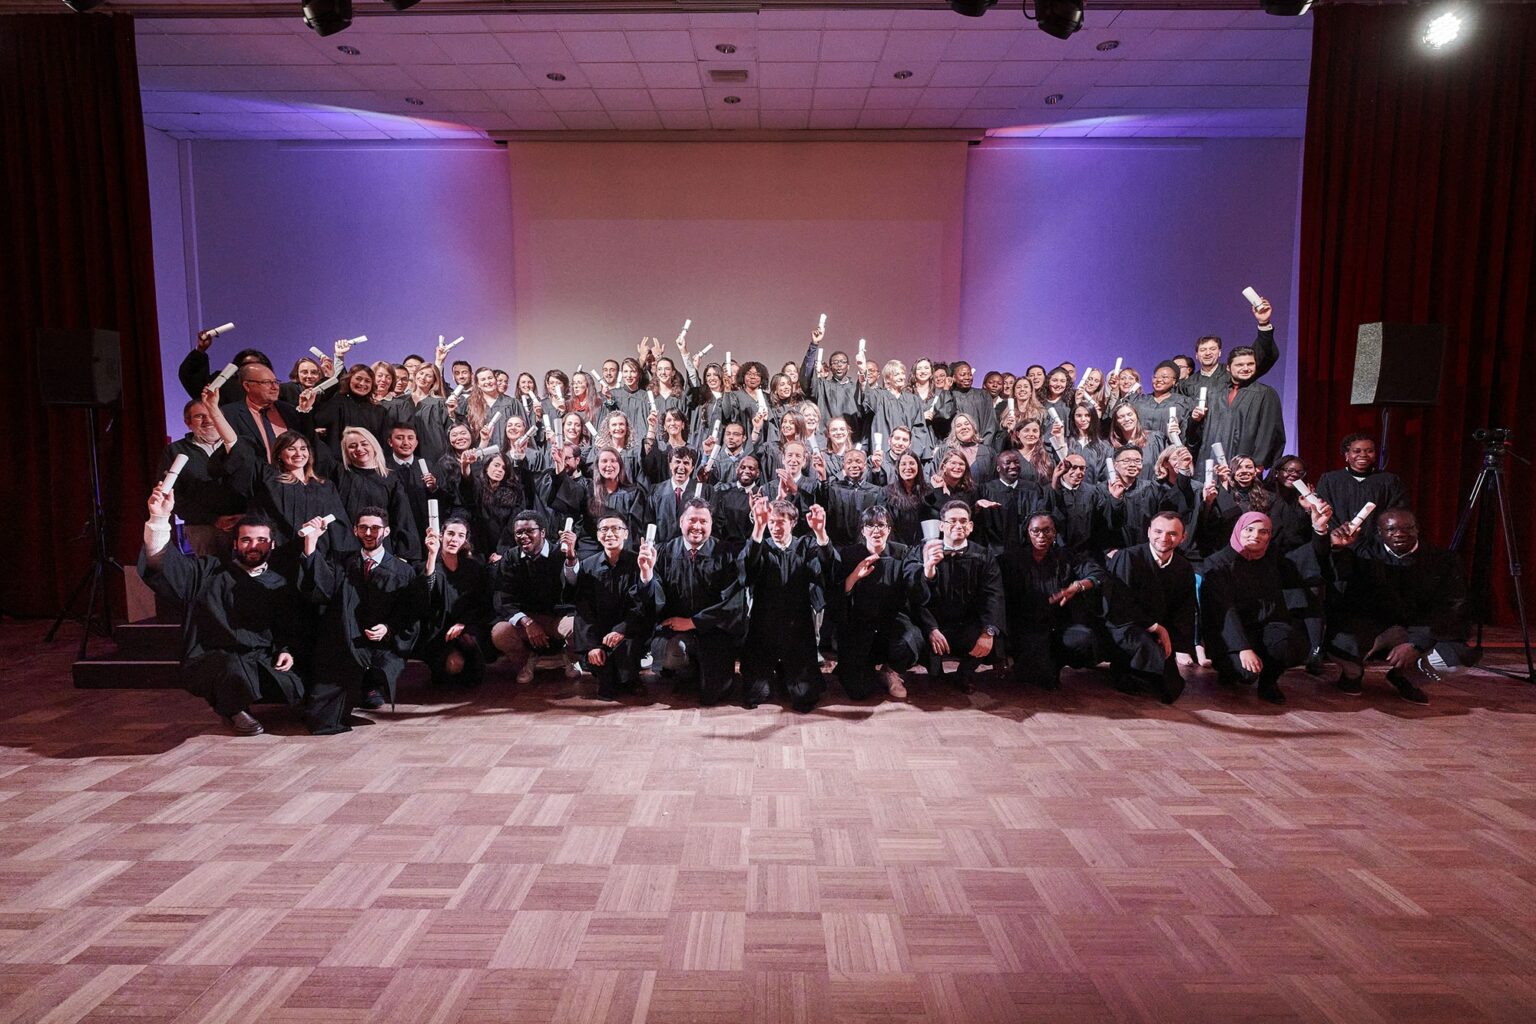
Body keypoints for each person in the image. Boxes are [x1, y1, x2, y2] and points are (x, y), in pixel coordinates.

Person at [138, 486, 308, 736]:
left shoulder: (279, 582)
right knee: (232, 668)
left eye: (261, 540)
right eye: (246, 539)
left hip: (259, 655)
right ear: (235, 543)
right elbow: (164, 566)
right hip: (213, 658)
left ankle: (250, 699)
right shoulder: (208, 572)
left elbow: (287, 627)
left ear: (271, 544)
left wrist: (286, 651)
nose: (253, 546)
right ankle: (234, 710)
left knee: (297, 681)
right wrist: (160, 519)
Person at [300, 506, 428, 732]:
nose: (369, 533)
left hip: (380, 645)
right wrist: (311, 544)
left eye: (375, 528)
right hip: (345, 644)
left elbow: (409, 614)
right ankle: (358, 690)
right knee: (320, 717)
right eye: (363, 528)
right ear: (355, 530)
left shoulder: (402, 570)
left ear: (386, 532)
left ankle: (371, 685)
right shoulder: (342, 563)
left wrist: (388, 629)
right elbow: (322, 591)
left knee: (373, 668)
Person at [1328, 508, 1471, 704]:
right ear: (1380, 532)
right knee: (1340, 642)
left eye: (1407, 528)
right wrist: (1337, 548)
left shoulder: (1444, 560)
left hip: (1418, 629)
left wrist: (1416, 642)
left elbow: (1451, 607)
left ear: (1417, 529)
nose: (1400, 534)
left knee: (1457, 657)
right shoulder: (1363, 553)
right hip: (1373, 629)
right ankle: (1352, 674)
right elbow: (1336, 579)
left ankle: (1405, 678)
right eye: (1391, 529)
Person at [1199, 509, 1334, 704]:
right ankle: (1228, 670)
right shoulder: (1218, 563)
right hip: (1230, 634)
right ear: (1238, 530)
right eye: (1249, 529)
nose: (1255, 536)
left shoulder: (1272, 557)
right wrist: (1243, 647)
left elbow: (1307, 564)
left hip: (1266, 627)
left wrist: (1320, 531)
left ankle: (1269, 683)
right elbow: (1223, 611)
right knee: (1245, 674)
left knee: (1289, 643)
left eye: (1263, 532)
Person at [739, 497, 836, 712]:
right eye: (771, 522)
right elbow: (747, 571)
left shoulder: (805, 545)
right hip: (764, 626)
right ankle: (777, 668)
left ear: (793, 523)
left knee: (804, 699)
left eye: (780, 522)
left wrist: (820, 533)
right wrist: (758, 526)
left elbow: (828, 569)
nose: (775, 527)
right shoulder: (761, 545)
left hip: (797, 628)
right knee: (756, 694)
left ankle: (787, 670)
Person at [651, 499, 749, 705]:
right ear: (681, 522)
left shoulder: (726, 553)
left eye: (703, 521)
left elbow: (733, 602)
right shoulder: (664, 552)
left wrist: (694, 622)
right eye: (692, 520)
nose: (697, 526)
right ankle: (687, 669)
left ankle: (705, 669)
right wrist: (645, 574)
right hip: (676, 629)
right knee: (673, 652)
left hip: (714, 630)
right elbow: (655, 597)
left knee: (713, 694)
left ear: (711, 524)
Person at [1003, 513, 1111, 691]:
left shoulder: (1065, 557)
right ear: (1027, 532)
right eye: (1035, 531)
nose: (1041, 536)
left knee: (1085, 639)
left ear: (1055, 533)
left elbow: (1098, 574)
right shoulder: (1012, 560)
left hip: (1058, 625)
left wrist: (1077, 586)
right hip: (1027, 628)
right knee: (1040, 680)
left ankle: (1057, 661)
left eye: (1047, 531)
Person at [913, 500, 1005, 694]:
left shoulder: (983, 555)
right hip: (933, 625)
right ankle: (934, 670)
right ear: (941, 525)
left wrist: (987, 632)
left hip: (966, 625)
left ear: (970, 526)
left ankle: (965, 672)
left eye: (963, 521)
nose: (958, 526)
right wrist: (931, 628)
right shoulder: (923, 552)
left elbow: (993, 595)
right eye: (952, 521)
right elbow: (914, 596)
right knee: (915, 644)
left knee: (994, 637)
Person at [1102, 512, 1195, 703]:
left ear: (1183, 538)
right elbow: (1120, 603)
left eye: (1172, 534)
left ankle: (1140, 671)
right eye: (1158, 531)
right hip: (1126, 625)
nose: (1164, 538)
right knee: (1145, 653)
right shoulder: (1128, 557)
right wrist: (1155, 627)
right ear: (1148, 532)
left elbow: (1184, 608)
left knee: (1171, 687)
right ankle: (1123, 670)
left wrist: (1170, 635)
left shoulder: (1183, 567)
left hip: (1160, 630)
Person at [833, 506, 922, 701]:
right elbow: (840, 595)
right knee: (858, 692)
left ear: (889, 529)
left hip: (890, 623)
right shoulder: (848, 554)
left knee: (911, 639)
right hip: (860, 622)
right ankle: (862, 668)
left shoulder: (902, 552)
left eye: (881, 525)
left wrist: (929, 569)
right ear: (863, 530)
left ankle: (890, 671)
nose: (876, 530)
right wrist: (855, 575)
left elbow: (914, 586)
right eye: (870, 525)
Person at [567, 512, 658, 701]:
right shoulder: (587, 566)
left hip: (629, 631)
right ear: (598, 535)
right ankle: (609, 677)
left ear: (626, 533)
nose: (610, 533)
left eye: (616, 528)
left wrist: (622, 630)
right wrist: (591, 645)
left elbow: (642, 604)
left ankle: (630, 679)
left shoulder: (639, 563)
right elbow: (583, 608)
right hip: (600, 633)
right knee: (605, 680)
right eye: (604, 529)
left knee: (627, 656)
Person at [489, 510, 575, 685]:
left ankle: (571, 660)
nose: (523, 536)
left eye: (529, 531)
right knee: (500, 633)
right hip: (528, 619)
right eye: (519, 532)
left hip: (557, 618)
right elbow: (504, 598)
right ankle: (527, 662)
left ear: (542, 532)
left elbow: (574, 584)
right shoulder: (510, 557)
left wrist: (571, 556)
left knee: (578, 626)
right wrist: (527, 622)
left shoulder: (560, 553)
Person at [160, 399, 246, 558]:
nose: (208, 420)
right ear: (188, 422)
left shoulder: (239, 446)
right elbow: (173, 496)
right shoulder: (175, 451)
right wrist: (213, 520)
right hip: (202, 529)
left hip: (243, 524)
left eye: (212, 415)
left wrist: (246, 516)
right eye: (200, 416)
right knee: (211, 577)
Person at [419, 516, 495, 689]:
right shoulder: (429, 566)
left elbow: (482, 603)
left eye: (461, 535)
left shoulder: (473, 568)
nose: (454, 539)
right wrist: (432, 555)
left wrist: (464, 624)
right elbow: (425, 597)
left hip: (468, 626)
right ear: (441, 536)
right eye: (450, 534)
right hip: (439, 632)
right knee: (453, 666)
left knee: (469, 641)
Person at [1315, 434, 1410, 542]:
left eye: (1369, 451)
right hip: (1338, 542)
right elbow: (1323, 510)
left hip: (1376, 545)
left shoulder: (1389, 481)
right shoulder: (1330, 480)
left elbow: (1396, 511)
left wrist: (1379, 537)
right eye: (1357, 451)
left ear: (1375, 455)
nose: (1363, 455)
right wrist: (1339, 532)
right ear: (1347, 454)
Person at [220, 362, 302, 465]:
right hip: (254, 478)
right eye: (267, 382)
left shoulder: (289, 411)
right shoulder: (229, 414)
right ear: (247, 386)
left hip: (289, 478)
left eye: (276, 382)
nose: (275, 387)